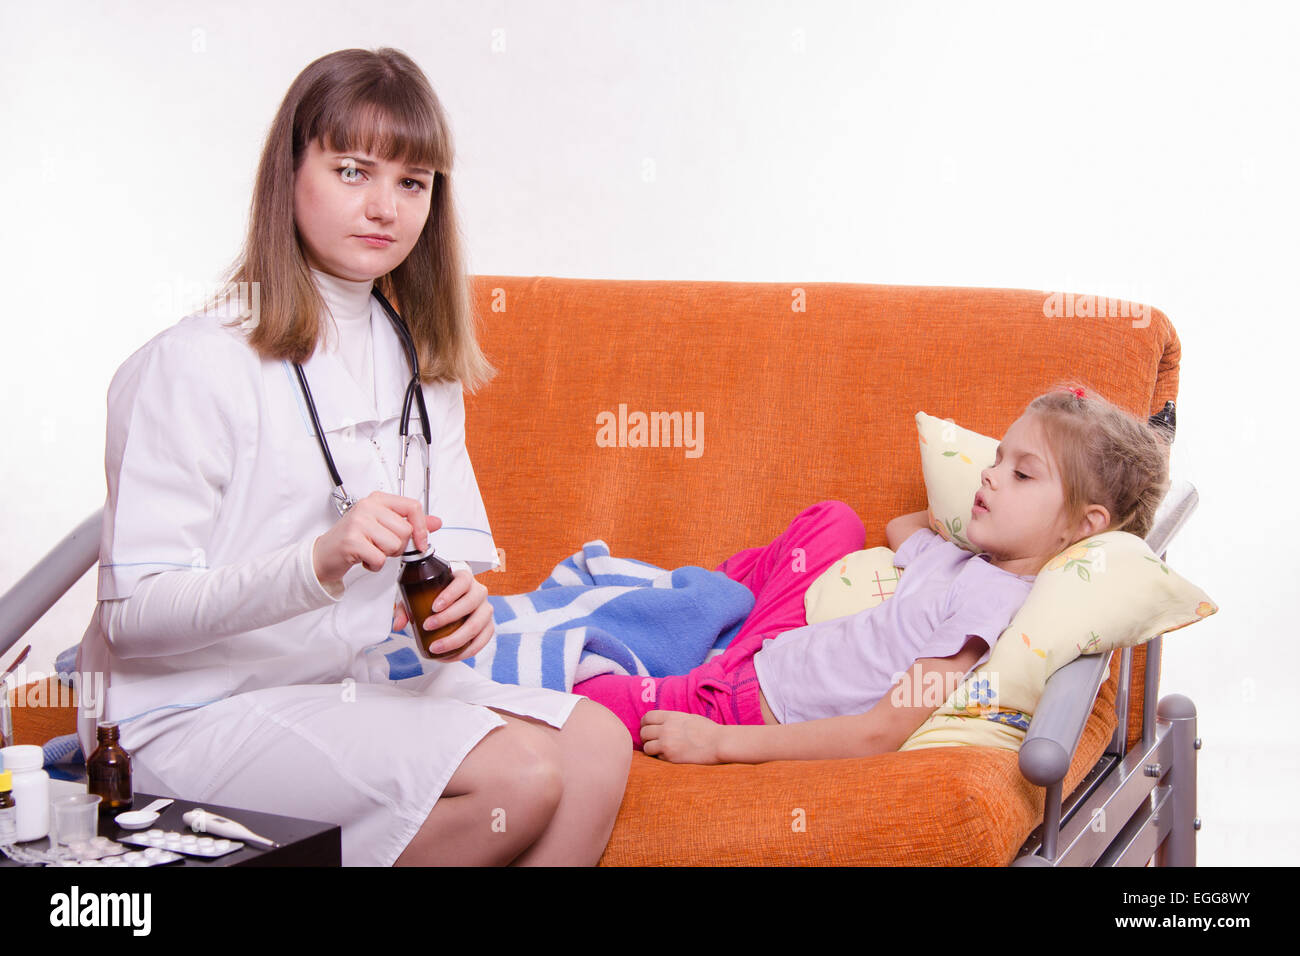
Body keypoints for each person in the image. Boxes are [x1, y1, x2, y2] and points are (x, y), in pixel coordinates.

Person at [75, 47, 630, 866]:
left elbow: (460, 548)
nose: (384, 207)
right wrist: (318, 563)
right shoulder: (192, 363)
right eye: (351, 170)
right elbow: (135, 618)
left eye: (412, 182)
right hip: (191, 710)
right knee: (521, 774)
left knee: (596, 744)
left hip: (345, 686)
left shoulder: (422, 358)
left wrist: (462, 608)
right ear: (289, 173)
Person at [574, 386, 1170, 764]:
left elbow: (879, 733)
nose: (990, 477)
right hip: (767, 645)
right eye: (995, 461)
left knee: (581, 697)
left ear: (1083, 528)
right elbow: (900, 527)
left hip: (740, 703)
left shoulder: (986, 612)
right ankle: (709, 615)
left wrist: (721, 743)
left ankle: (695, 631)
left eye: (1023, 475)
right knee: (834, 521)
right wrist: (982, 515)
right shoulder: (964, 559)